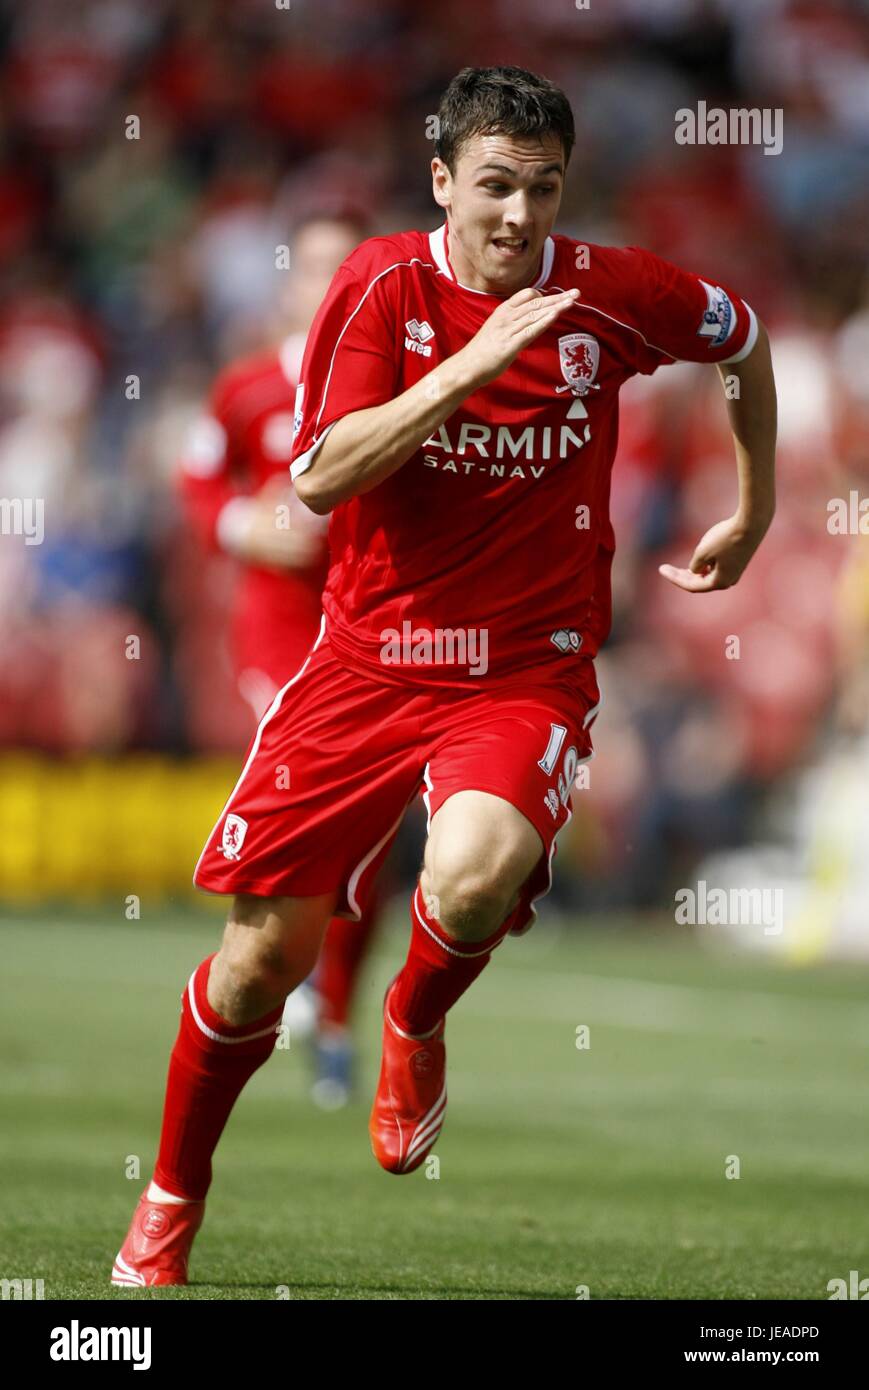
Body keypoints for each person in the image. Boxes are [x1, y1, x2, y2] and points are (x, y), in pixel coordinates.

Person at [112, 65, 777, 1287]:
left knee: (471, 877)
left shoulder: (613, 294)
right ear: (441, 182)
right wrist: (465, 373)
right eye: (493, 186)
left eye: (541, 187)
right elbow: (316, 478)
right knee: (262, 960)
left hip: (525, 670)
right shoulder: (377, 287)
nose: (518, 214)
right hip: (366, 660)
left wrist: (753, 506)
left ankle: (411, 1021)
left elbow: (740, 337)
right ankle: (167, 1200)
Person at [178, 209, 380, 1110]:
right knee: (309, 786)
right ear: (294, 281)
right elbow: (198, 473)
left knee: (371, 834)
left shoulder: (396, 381)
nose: (331, 282)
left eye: (350, 266)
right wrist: (240, 526)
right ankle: (280, 974)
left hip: (374, 630)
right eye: (317, 267)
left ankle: (330, 1009)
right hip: (279, 629)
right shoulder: (252, 385)